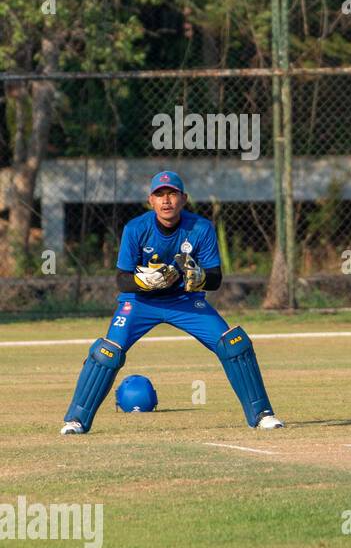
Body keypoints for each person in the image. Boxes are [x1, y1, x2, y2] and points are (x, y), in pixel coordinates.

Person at [61, 171, 283, 434]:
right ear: (150, 201)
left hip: (185, 301)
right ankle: (75, 420)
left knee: (234, 345)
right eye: (159, 195)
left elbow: (215, 279)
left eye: (172, 194)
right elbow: (121, 280)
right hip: (140, 302)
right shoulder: (136, 228)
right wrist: (144, 282)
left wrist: (199, 278)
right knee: (106, 353)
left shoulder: (201, 228)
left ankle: (262, 415)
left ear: (184, 198)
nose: (166, 200)